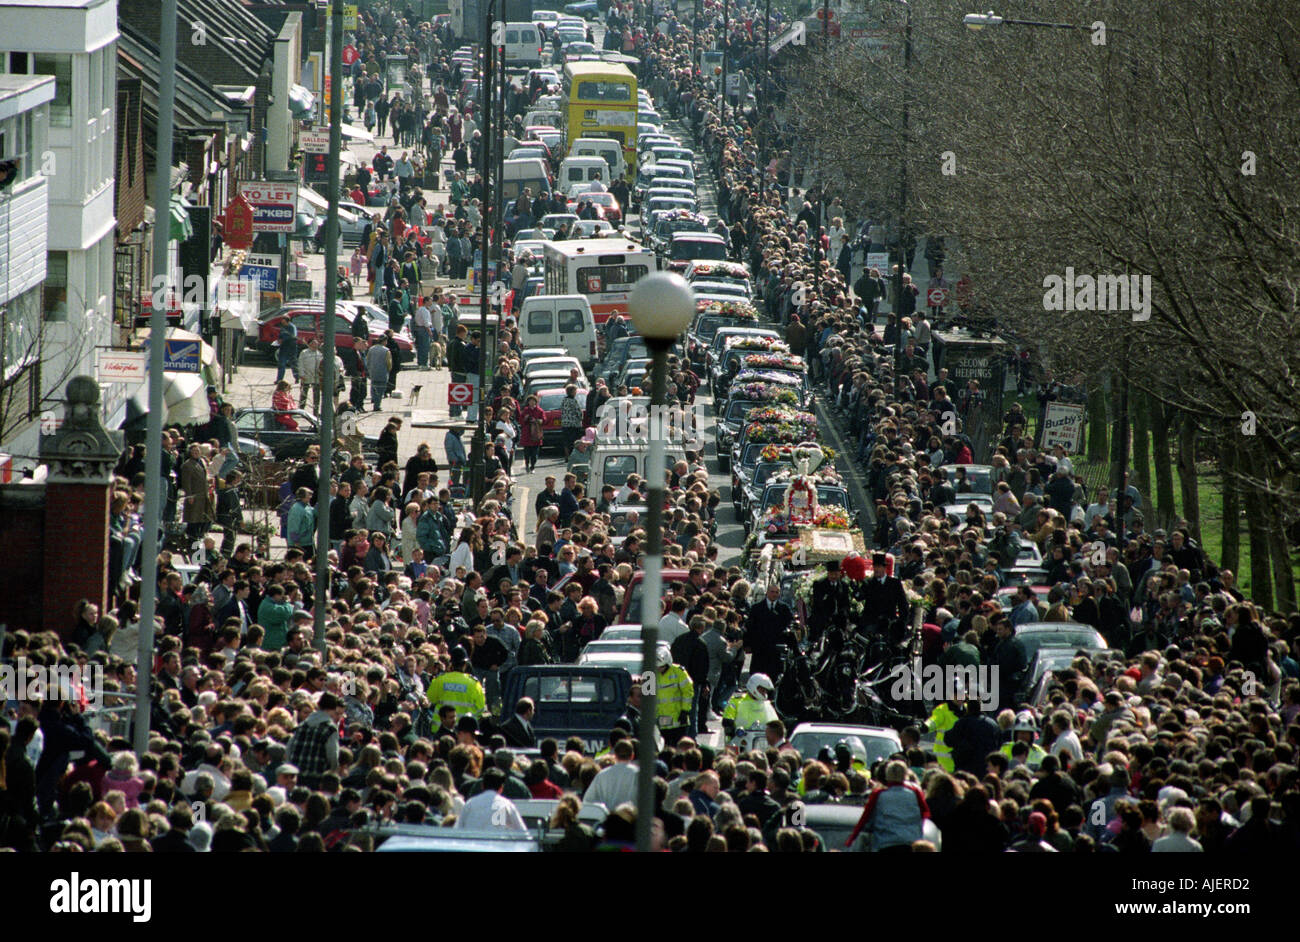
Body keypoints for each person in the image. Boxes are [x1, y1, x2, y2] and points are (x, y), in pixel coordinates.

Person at [845, 760, 930, 852]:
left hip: (886, 843)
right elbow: (925, 813)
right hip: (910, 842)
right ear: (905, 774)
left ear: (887, 774)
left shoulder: (879, 794)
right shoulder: (915, 792)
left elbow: (865, 818)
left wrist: (851, 839)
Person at [455, 768, 527, 831]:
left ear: (482, 786)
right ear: (501, 788)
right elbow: (523, 833)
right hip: (498, 845)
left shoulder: (470, 804)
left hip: (473, 845)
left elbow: (457, 830)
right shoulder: (507, 805)